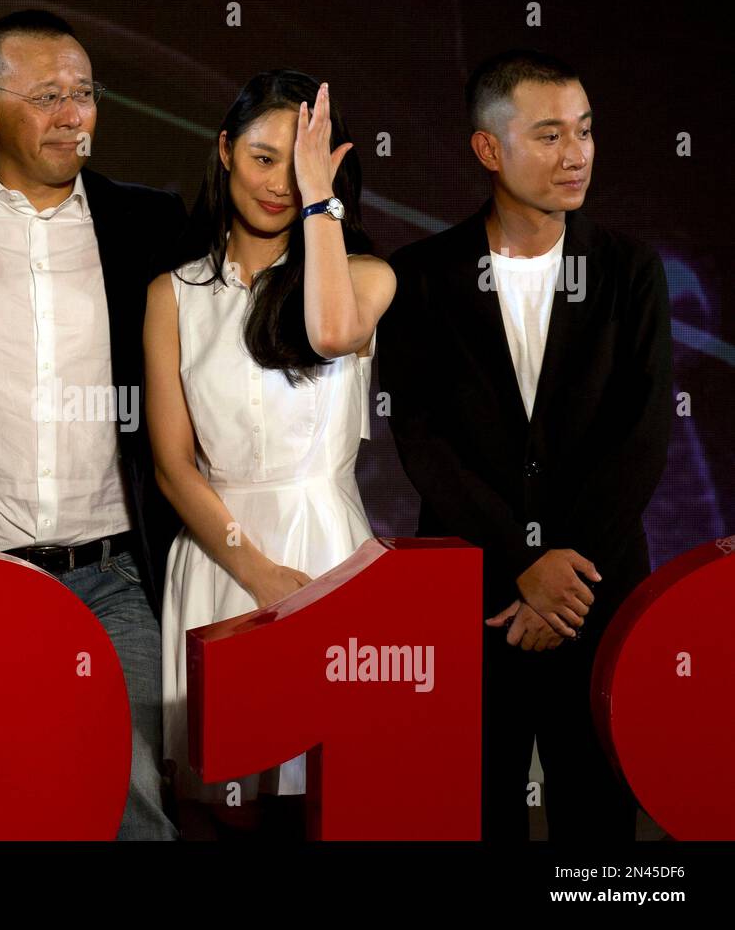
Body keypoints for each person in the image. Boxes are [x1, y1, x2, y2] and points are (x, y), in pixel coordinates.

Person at [379, 49, 672, 840]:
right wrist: (521, 561)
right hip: (476, 595)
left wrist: (564, 572)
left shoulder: (628, 271)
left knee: (599, 819)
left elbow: (644, 433)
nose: (575, 154)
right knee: (473, 810)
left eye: (583, 131)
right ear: (488, 149)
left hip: (596, 592)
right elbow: (423, 441)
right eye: (548, 135)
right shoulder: (424, 277)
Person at [0, 10, 185, 840]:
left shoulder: (149, 224)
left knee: (133, 787)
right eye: (48, 96)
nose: (74, 114)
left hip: (115, 571)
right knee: (0, 802)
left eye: (84, 94)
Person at [146, 71, 395, 836]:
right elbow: (172, 463)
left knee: (334, 797)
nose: (279, 185)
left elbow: (327, 334)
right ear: (224, 153)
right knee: (220, 808)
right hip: (221, 561)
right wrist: (251, 571)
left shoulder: (364, 275)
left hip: (327, 555)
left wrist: (323, 203)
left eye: (301, 165)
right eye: (262, 158)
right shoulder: (174, 293)